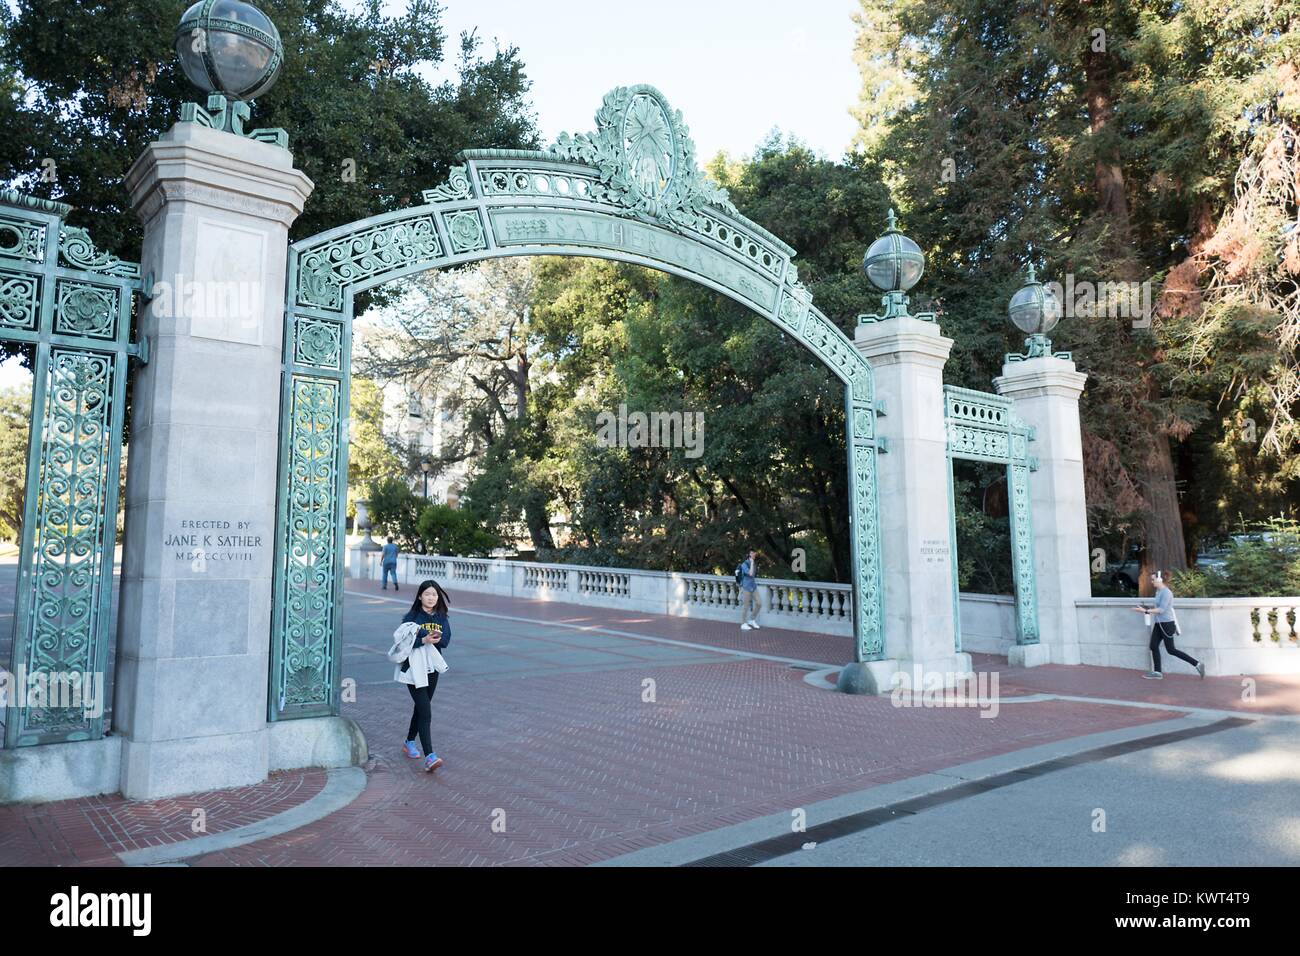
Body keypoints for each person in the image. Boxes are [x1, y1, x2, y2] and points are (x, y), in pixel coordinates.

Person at [388, 579, 453, 771]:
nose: (431, 598)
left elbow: (446, 640)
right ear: (420, 596)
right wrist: (423, 639)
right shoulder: (412, 617)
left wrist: (435, 639)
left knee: (421, 707)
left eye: (434, 594)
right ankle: (430, 756)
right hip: (414, 668)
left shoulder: (441, 617)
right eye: (427, 594)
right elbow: (402, 643)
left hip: (432, 668)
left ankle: (409, 741)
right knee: (426, 711)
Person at [1132, 570, 1205, 680]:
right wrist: (1145, 608)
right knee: (1153, 646)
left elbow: (1161, 610)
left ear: (1159, 579)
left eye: (1153, 579)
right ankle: (1157, 672)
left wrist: (1146, 611)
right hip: (1159, 624)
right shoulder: (1158, 592)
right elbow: (1158, 608)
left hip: (1167, 624)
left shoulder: (1167, 593)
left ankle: (1197, 664)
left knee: (1171, 650)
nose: (1151, 582)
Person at [738, 549, 760, 631]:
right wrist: (751, 563)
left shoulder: (754, 564)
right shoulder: (744, 564)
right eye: (752, 553)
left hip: (753, 586)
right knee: (746, 606)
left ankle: (751, 620)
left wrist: (753, 563)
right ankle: (743, 623)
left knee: (759, 603)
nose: (753, 554)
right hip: (746, 587)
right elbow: (750, 573)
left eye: (754, 552)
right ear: (748, 554)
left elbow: (754, 575)